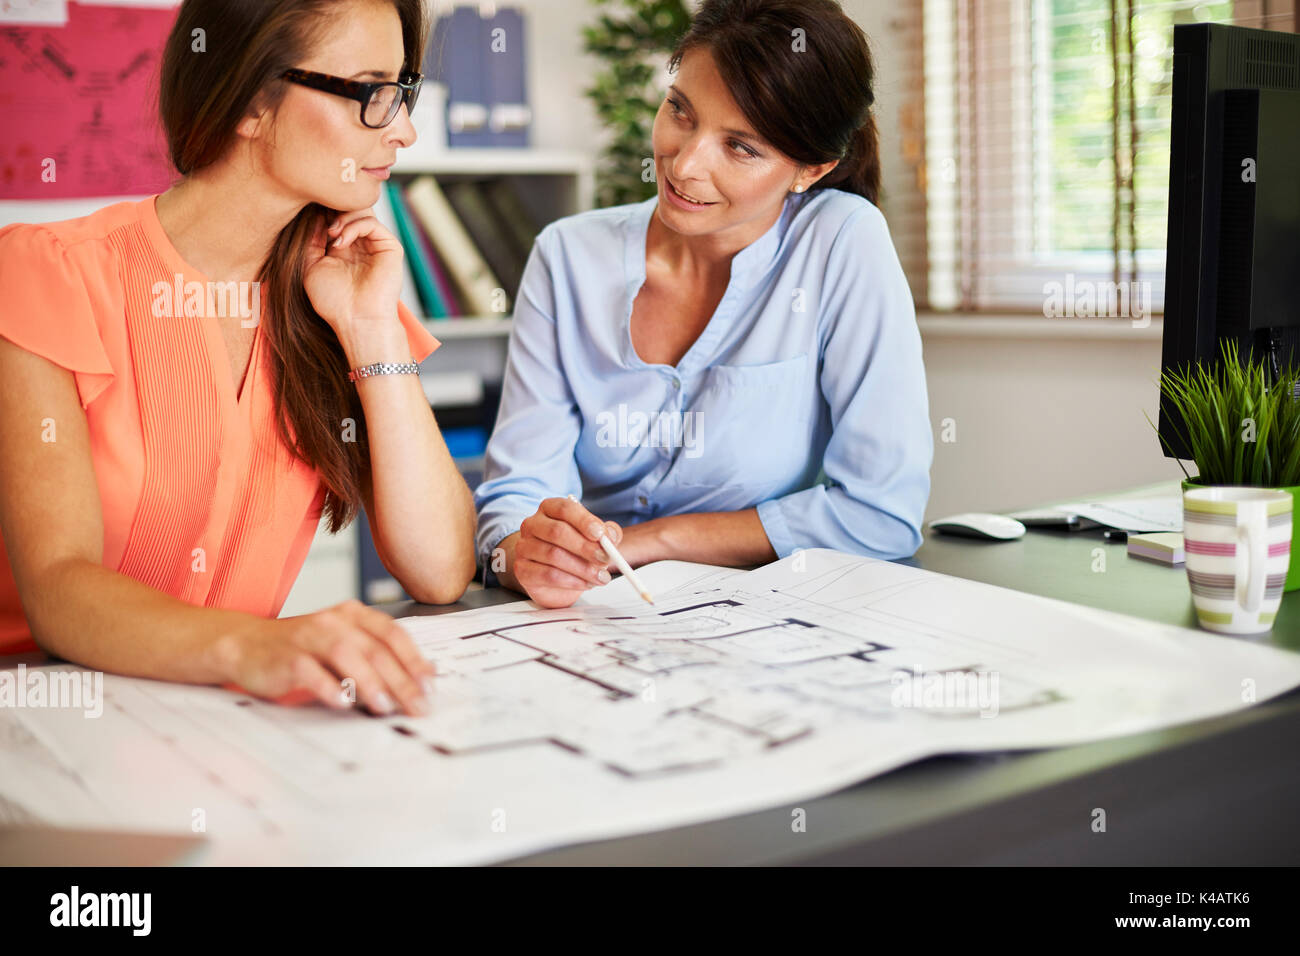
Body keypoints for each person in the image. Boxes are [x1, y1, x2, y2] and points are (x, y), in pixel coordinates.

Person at [0, 0, 476, 716]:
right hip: (49, 730)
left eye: (401, 91)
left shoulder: (336, 292)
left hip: (225, 731)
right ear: (253, 101)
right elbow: (58, 589)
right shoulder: (44, 274)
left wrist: (372, 329)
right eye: (372, 94)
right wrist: (253, 646)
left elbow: (440, 568)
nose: (403, 130)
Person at [475, 0, 933, 609]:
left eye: (741, 147)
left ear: (811, 170)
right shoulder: (568, 256)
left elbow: (881, 512)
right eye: (680, 111)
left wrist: (654, 541)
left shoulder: (842, 240)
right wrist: (523, 553)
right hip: (593, 616)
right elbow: (516, 494)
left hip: (766, 626)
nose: (685, 165)